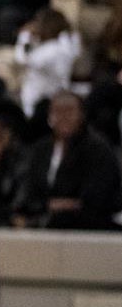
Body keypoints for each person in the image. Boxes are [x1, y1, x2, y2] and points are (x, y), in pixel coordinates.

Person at [12, 92, 122, 231]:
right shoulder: (41, 149)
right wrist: (46, 205)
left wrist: (65, 205)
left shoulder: (98, 149)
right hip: (44, 219)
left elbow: (98, 196)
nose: (63, 117)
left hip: (87, 225)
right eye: (57, 112)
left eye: (69, 111)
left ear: (81, 115)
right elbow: (29, 190)